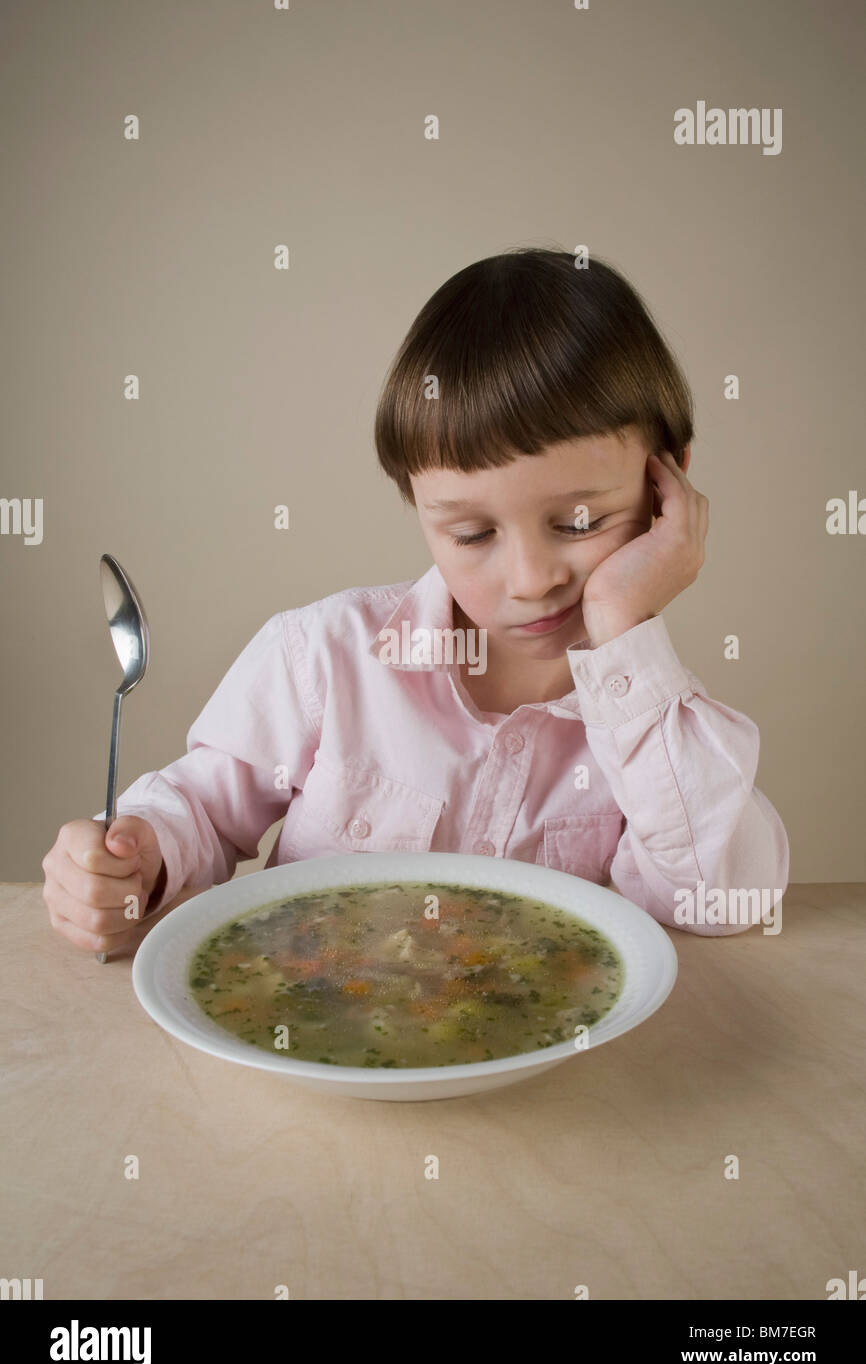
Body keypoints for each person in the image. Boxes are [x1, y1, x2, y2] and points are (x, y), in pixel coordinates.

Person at [42, 247, 789, 955]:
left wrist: (625, 629)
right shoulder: (322, 658)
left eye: (578, 522)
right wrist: (134, 859)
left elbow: (722, 901)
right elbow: (200, 811)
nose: (531, 579)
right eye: (471, 532)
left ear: (669, 487)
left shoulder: (649, 727)